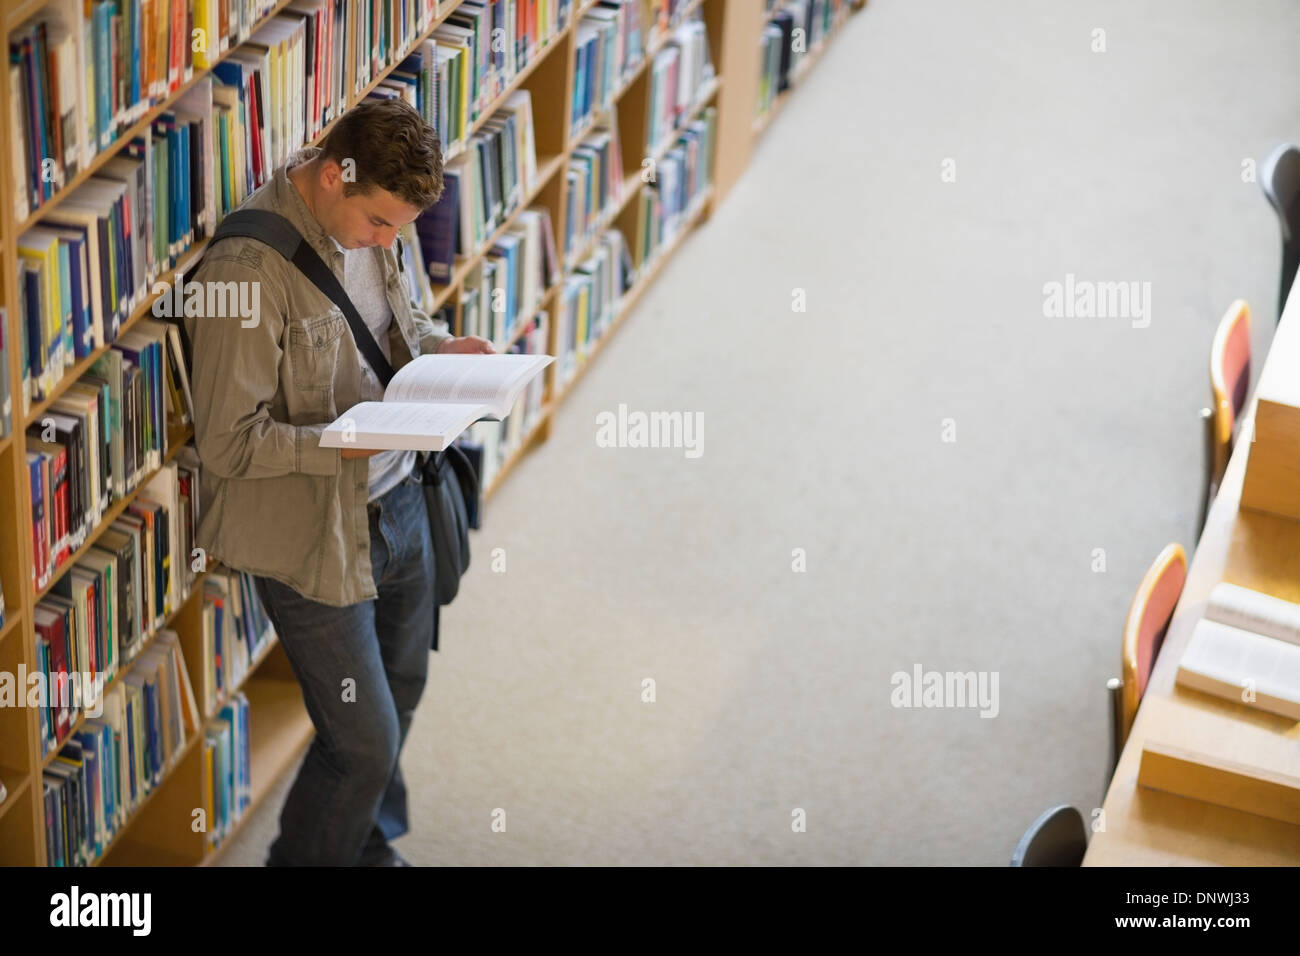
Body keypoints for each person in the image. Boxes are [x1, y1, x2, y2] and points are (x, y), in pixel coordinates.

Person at [184, 98, 493, 866]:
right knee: (363, 742)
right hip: (317, 533)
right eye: (382, 225)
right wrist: (341, 445)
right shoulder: (248, 275)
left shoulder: (371, 219)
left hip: (401, 496)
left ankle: (362, 844)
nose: (390, 240)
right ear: (332, 176)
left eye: (400, 228)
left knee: (404, 684)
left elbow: (391, 324)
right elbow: (227, 444)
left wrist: (441, 345)